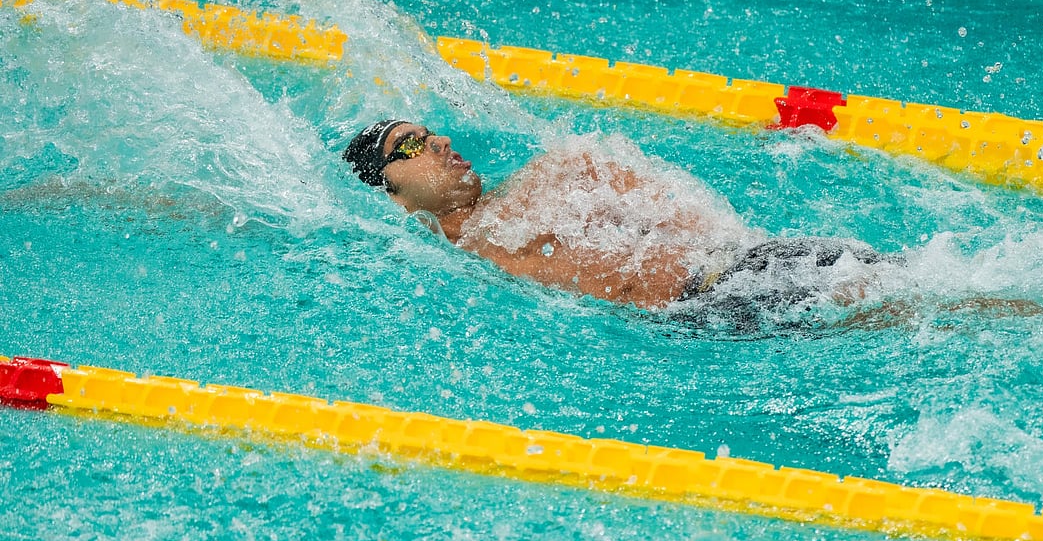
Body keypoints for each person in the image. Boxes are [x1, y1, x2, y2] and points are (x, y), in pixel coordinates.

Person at [343, 119, 901, 327]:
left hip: (744, 277)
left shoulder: (546, 175)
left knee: (928, 297)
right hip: (725, 301)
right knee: (935, 303)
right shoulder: (450, 253)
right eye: (409, 145)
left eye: (431, 132)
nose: (439, 141)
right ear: (388, 192)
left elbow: (634, 185)